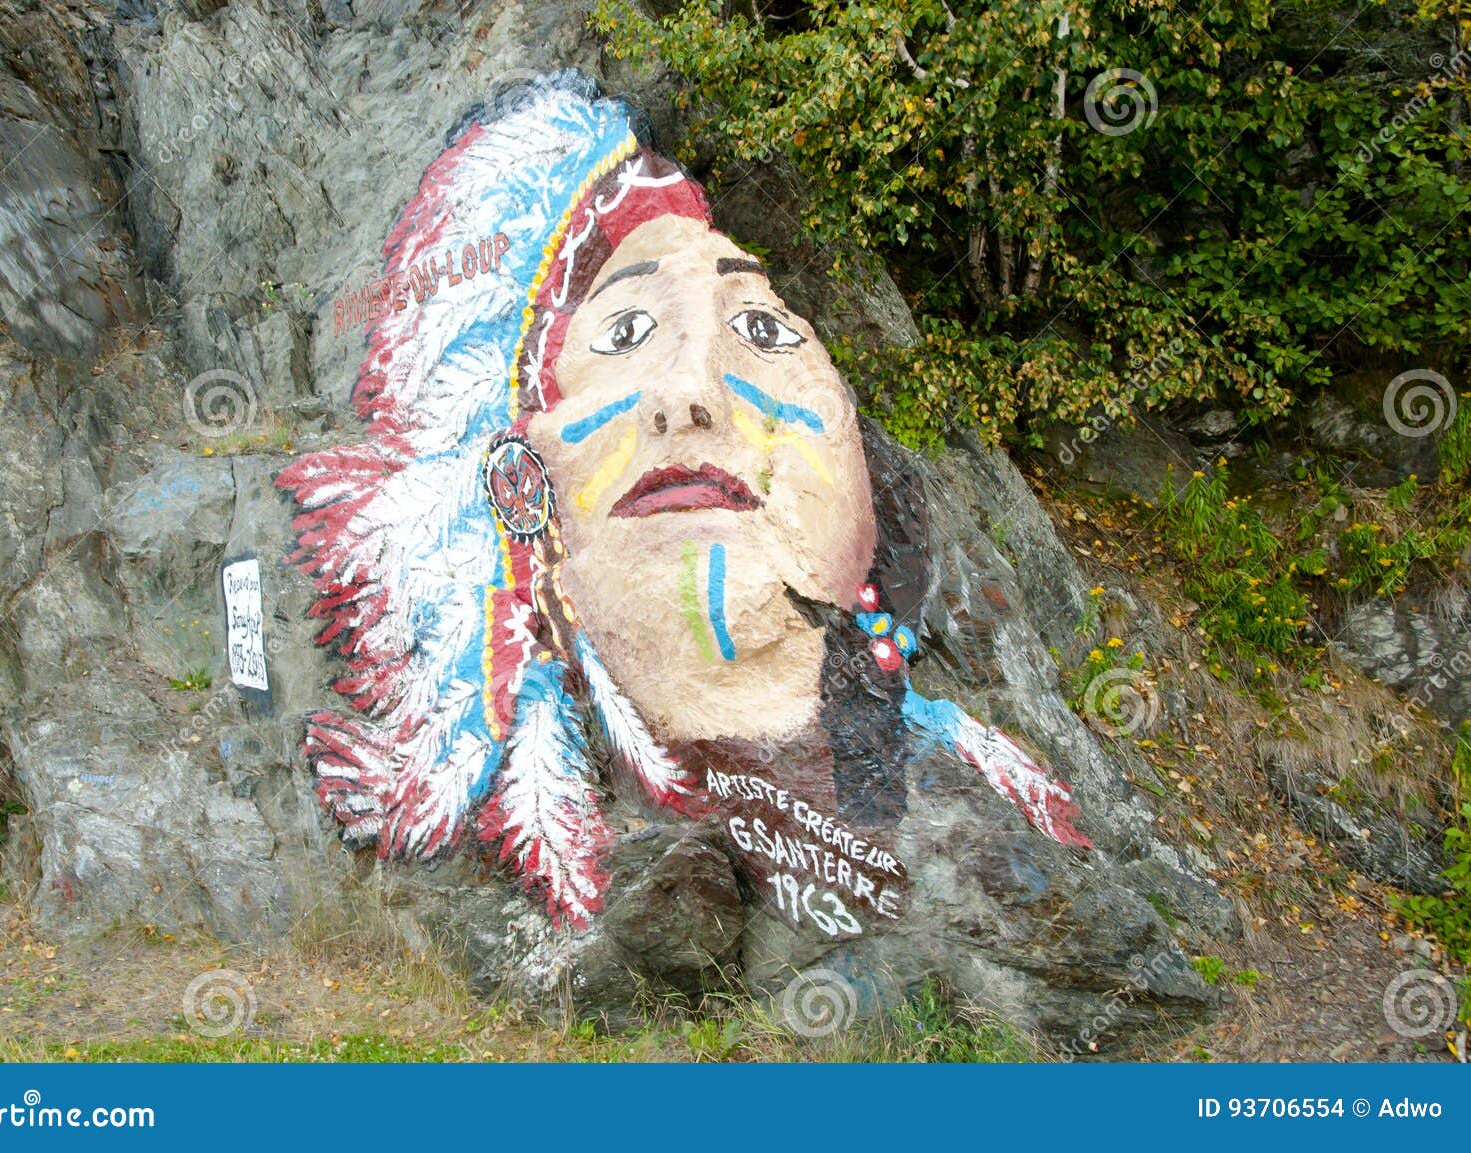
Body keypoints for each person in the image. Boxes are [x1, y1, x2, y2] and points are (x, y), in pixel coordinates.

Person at [277, 72, 1087, 936]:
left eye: (763, 330)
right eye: (625, 333)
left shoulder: (971, 791)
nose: (693, 392)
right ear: (515, 472)